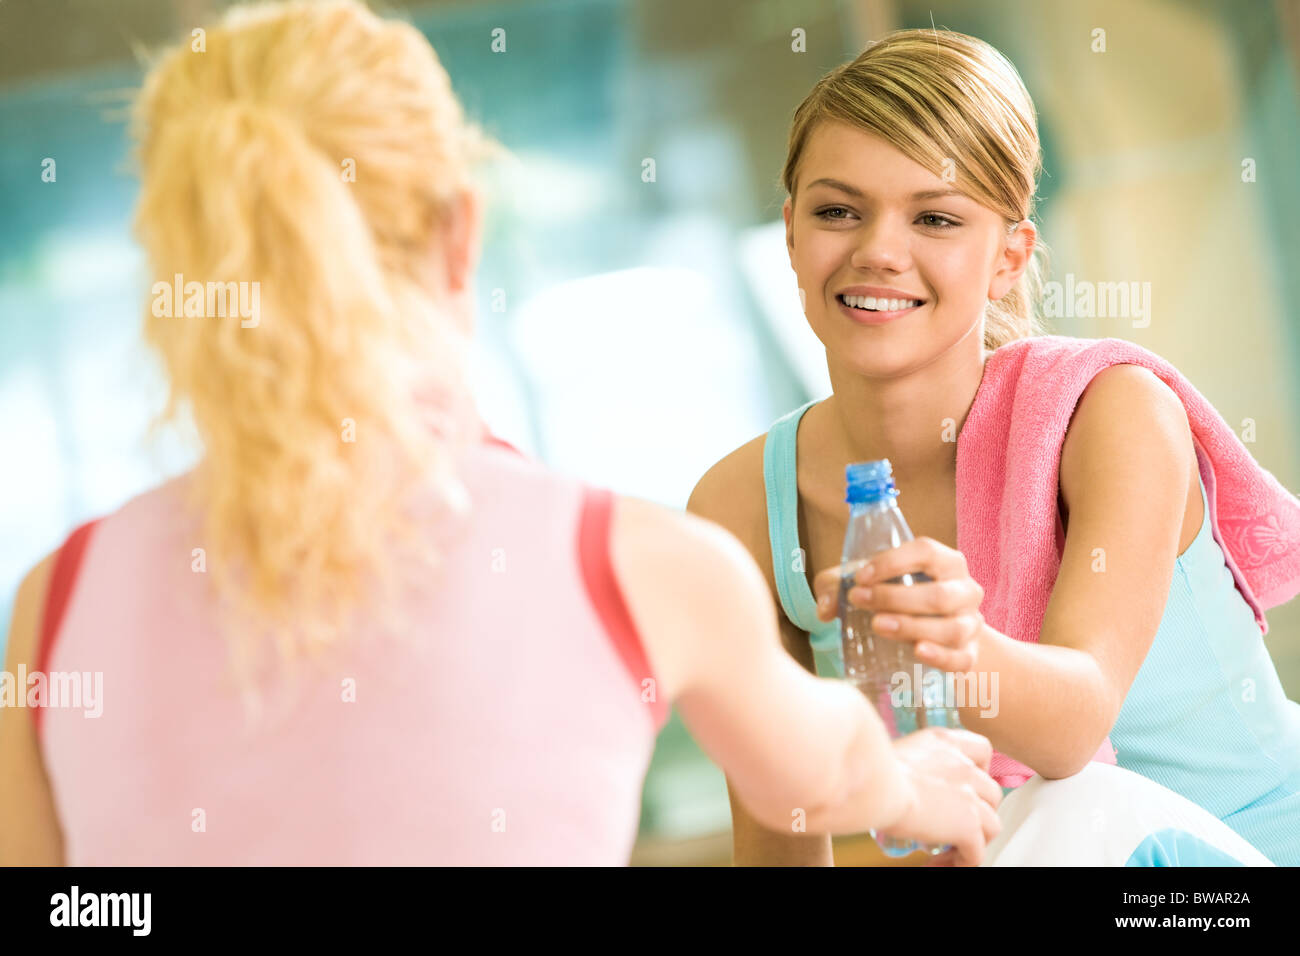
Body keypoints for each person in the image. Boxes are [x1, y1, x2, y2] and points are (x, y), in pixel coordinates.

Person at [0, 0, 1002, 867]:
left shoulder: (58, 600)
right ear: (458, 234)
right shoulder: (630, 563)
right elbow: (824, 775)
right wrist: (920, 784)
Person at [690, 27, 1300, 866]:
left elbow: (1072, 731)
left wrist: (956, 644)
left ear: (1009, 257)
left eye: (935, 217)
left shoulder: (1111, 414)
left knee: (1068, 803)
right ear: (791, 232)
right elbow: (779, 829)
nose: (878, 252)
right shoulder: (741, 508)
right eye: (839, 211)